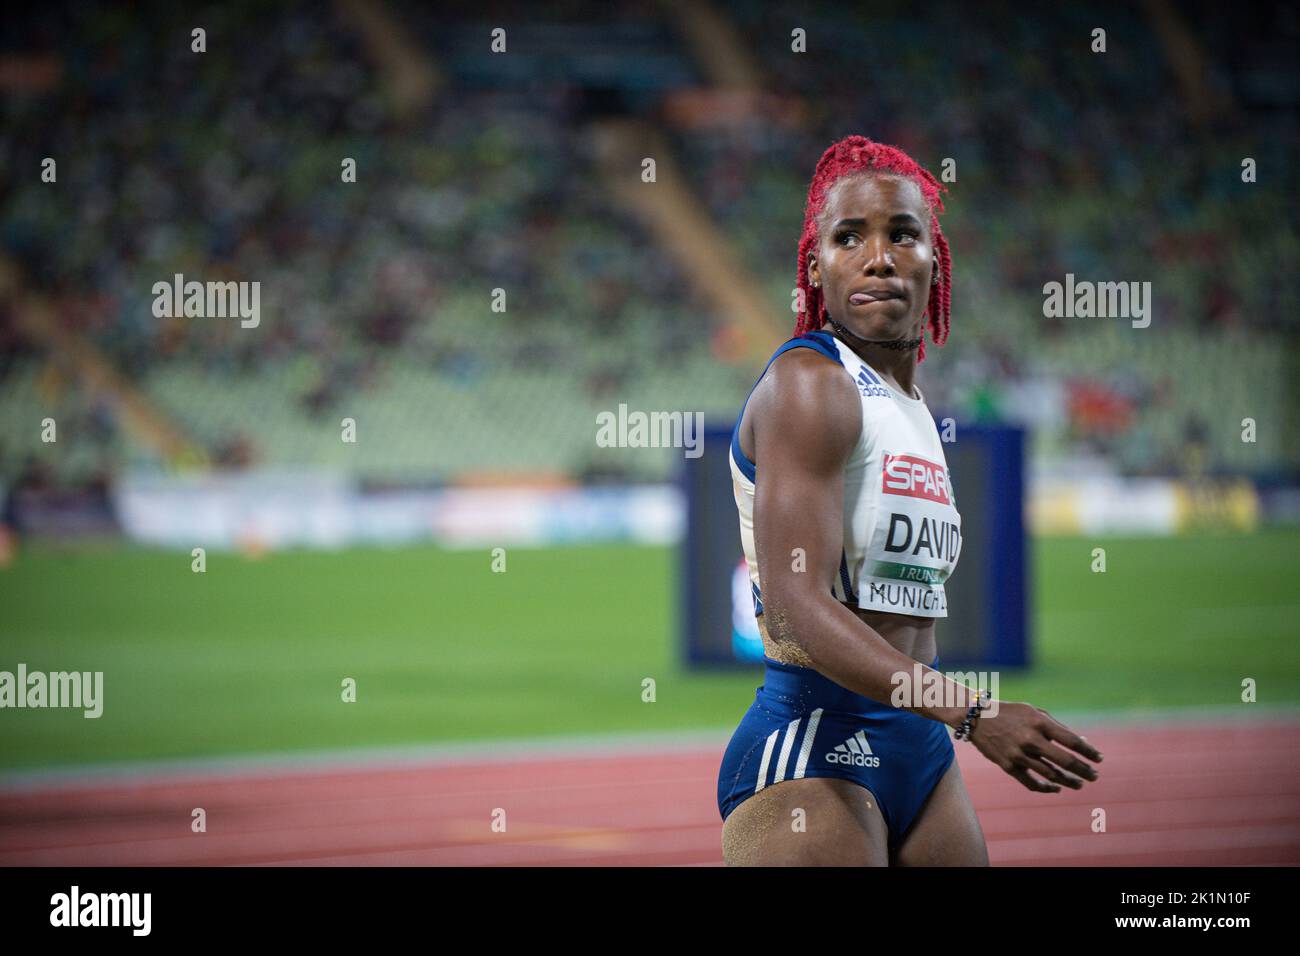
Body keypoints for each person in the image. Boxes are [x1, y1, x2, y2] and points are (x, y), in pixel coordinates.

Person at [717, 136, 1103, 866]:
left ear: (936, 260)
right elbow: (800, 602)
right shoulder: (810, 382)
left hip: (919, 750)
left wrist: (946, 721)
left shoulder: (913, 407)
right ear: (815, 267)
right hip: (814, 741)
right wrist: (975, 713)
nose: (880, 256)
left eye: (903, 234)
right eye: (848, 237)